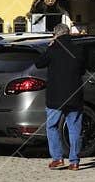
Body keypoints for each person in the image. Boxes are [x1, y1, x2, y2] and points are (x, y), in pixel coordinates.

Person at [35, 25, 88, 170]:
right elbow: (83, 70)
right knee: (74, 127)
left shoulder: (53, 49)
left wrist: (50, 46)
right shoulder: (78, 49)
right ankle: (74, 161)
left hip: (55, 97)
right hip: (74, 95)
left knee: (52, 126)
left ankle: (58, 158)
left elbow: (39, 63)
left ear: (56, 35)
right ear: (68, 33)